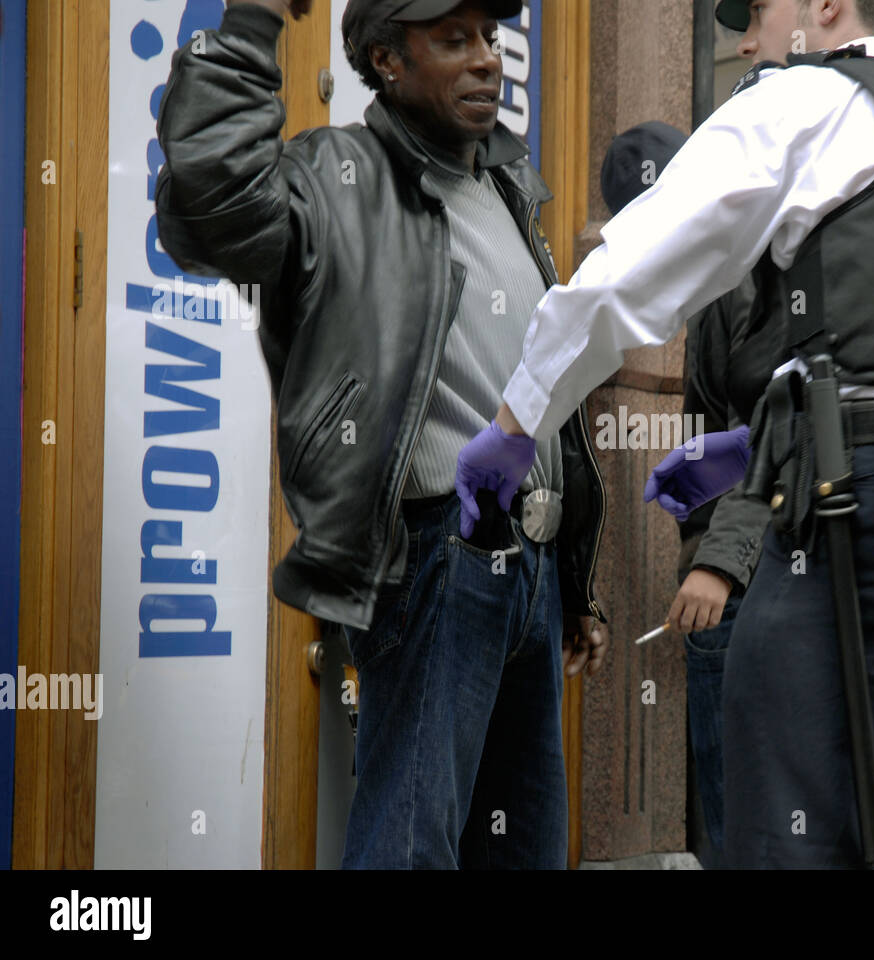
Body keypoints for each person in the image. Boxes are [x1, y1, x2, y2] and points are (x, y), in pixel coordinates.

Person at [457, 0, 874, 868]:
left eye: (760, 11)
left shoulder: (809, 99)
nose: (742, 39)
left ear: (828, 7)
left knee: (790, 820)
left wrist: (514, 425)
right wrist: (747, 451)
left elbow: (630, 271)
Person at [154, 0, 609, 869]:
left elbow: (540, 385)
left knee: (525, 851)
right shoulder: (334, 176)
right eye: (451, 41)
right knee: (411, 845)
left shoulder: (506, 184)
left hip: (532, 572)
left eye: (486, 39)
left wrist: (573, 577)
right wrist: (250, 24)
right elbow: (210, 201)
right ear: (385, 61)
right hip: (439, 554)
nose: (485, 60)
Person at [600, 121, 766, 866]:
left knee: (747, 826)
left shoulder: (749, 274)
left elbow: (774, 434)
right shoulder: (725, 276)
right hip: (745, 579)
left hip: (749, 587)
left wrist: (716, 562)